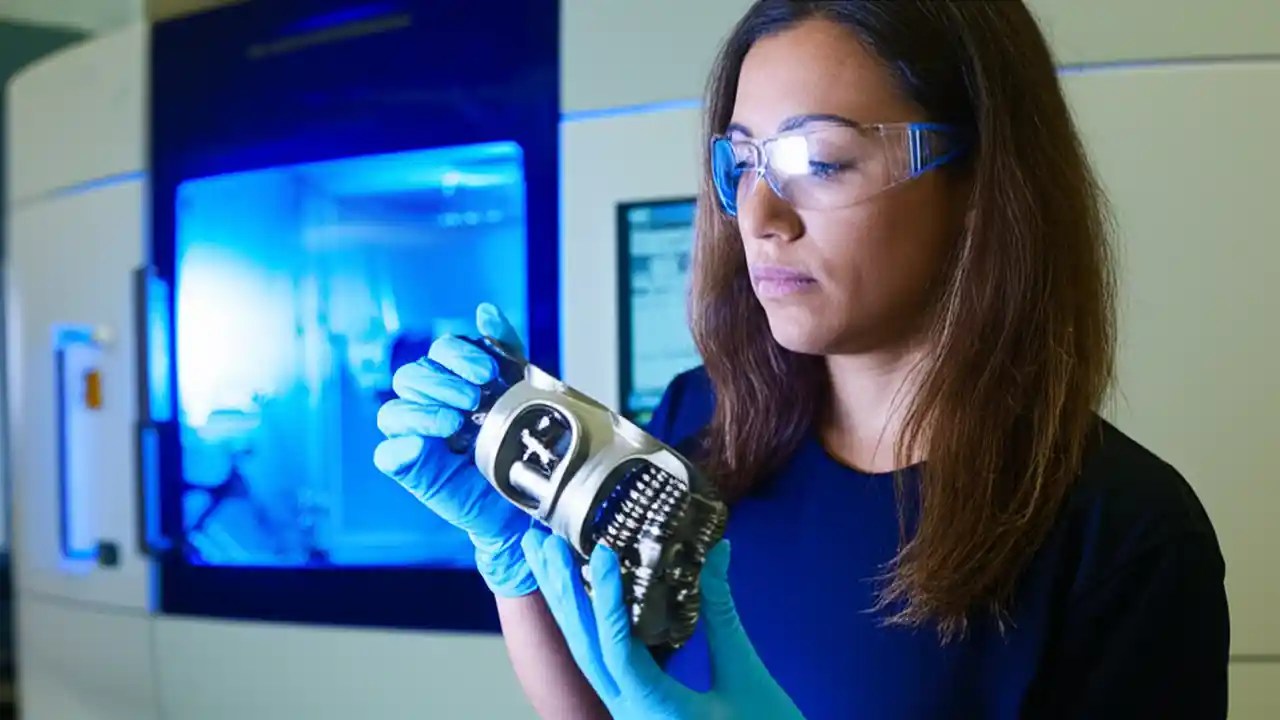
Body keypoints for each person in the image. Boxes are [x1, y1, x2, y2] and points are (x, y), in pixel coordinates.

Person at [374, 2, 1230, 718]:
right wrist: (520, 559)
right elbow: (614, 706)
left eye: (818, 161)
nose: (760, 215)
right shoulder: (699, 423)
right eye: (742, 162)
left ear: (977, 181)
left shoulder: (1125, 534)